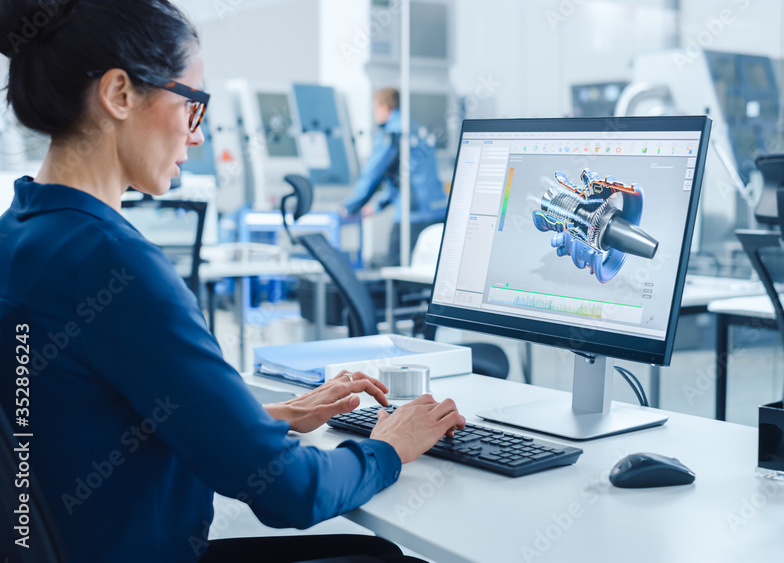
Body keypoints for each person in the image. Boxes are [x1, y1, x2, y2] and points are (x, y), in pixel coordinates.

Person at [0, 1, 464, 561]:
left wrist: (263, 418)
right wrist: (389, 447)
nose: (196, 137)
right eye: (192, 105)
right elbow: (289, 492)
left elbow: (89, 424)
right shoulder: (116, 265)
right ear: (119, 94)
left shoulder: (21, 233)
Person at [343, 87, 448, 267]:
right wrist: (377, 205)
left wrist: (350, 206)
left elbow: (372, 173)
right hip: (438, 211)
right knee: (430, 272)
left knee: (393, 273)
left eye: (375, 108)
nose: (375, 114)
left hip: (413, 215)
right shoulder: (415, 129)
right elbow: (402, 177)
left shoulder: (392, 134)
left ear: (385, 107)